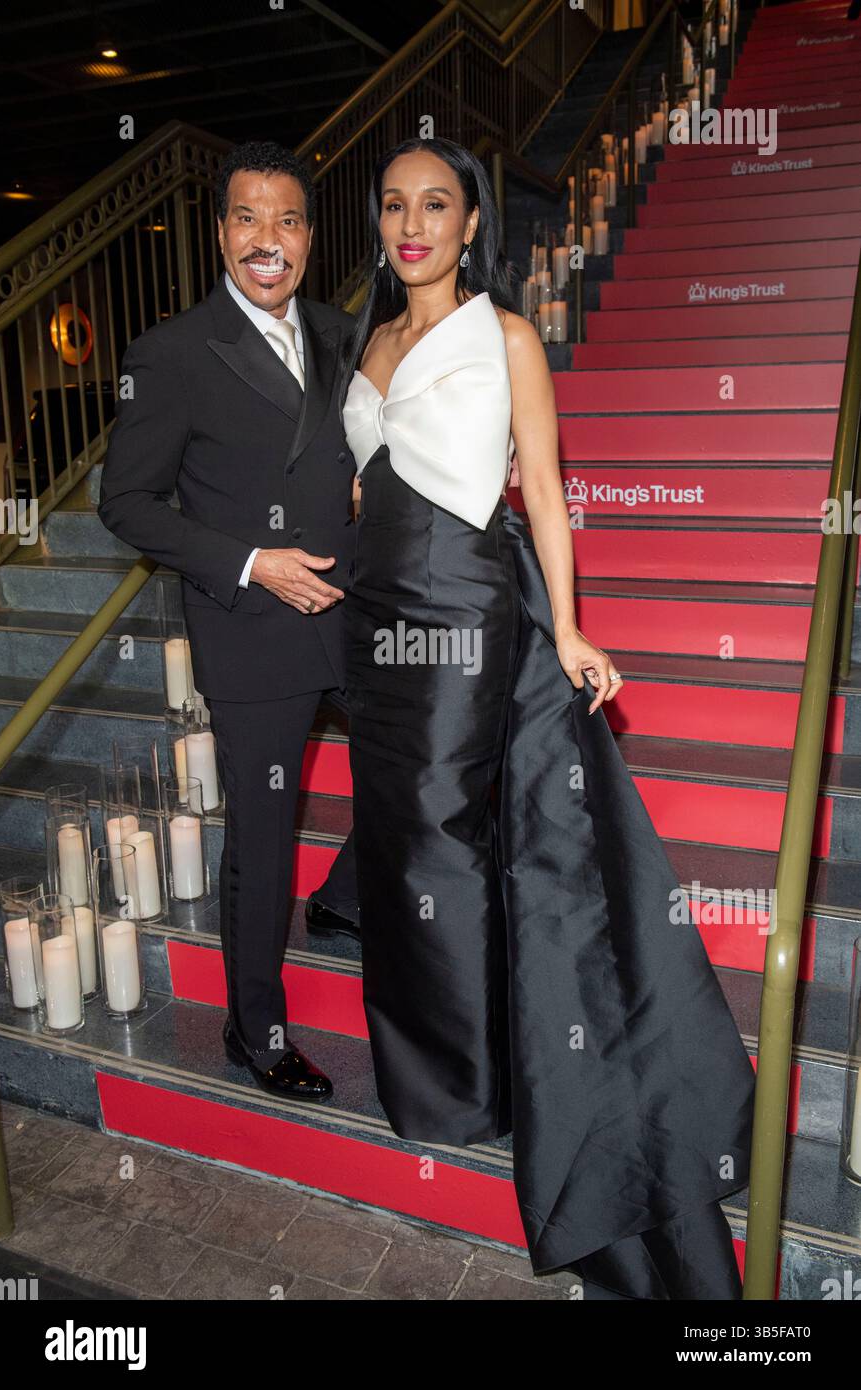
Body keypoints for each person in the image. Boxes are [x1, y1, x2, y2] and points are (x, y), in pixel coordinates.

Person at [340, 136, 756, 1299]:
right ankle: (423, 1076)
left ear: (472, 224)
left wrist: (566, 628)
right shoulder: (366, 340)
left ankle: (479, 1076)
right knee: (396, 837)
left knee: (442, 830)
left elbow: (546, 488)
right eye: (392, 206)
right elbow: (368, 481)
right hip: (377, 622)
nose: (412, 224)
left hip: (466, 602)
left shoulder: (505, 336)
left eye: (435, 205)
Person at [98, 141, 359, 1103]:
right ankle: (257, 1031)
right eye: (248, 217)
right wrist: (251, 562)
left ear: (308, 237)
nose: (268, 239)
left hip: (357, 614)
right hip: (254, 630)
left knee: (431, 773)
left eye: (288, 219)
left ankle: (347, 900)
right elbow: (124, 501)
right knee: (264, 836)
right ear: (219, 232)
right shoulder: (171, 352)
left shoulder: (341, 331)